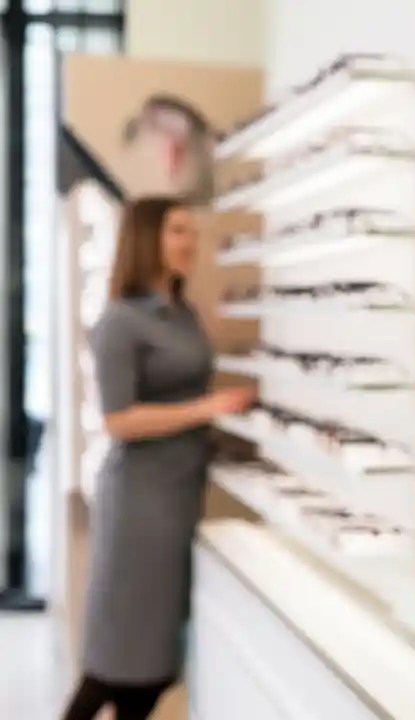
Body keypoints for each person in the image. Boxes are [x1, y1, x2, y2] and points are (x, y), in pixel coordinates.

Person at [62, 197, 255, 720]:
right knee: (117, 666)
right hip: (139, 506)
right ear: (147, 239)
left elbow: (183, 402)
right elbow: (118, 419)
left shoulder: (184, 314)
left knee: (145, 670)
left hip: (176, 496)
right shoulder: (120, 322)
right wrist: (207, 408)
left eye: (192, 232)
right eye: (176, 231)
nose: (189, 243)